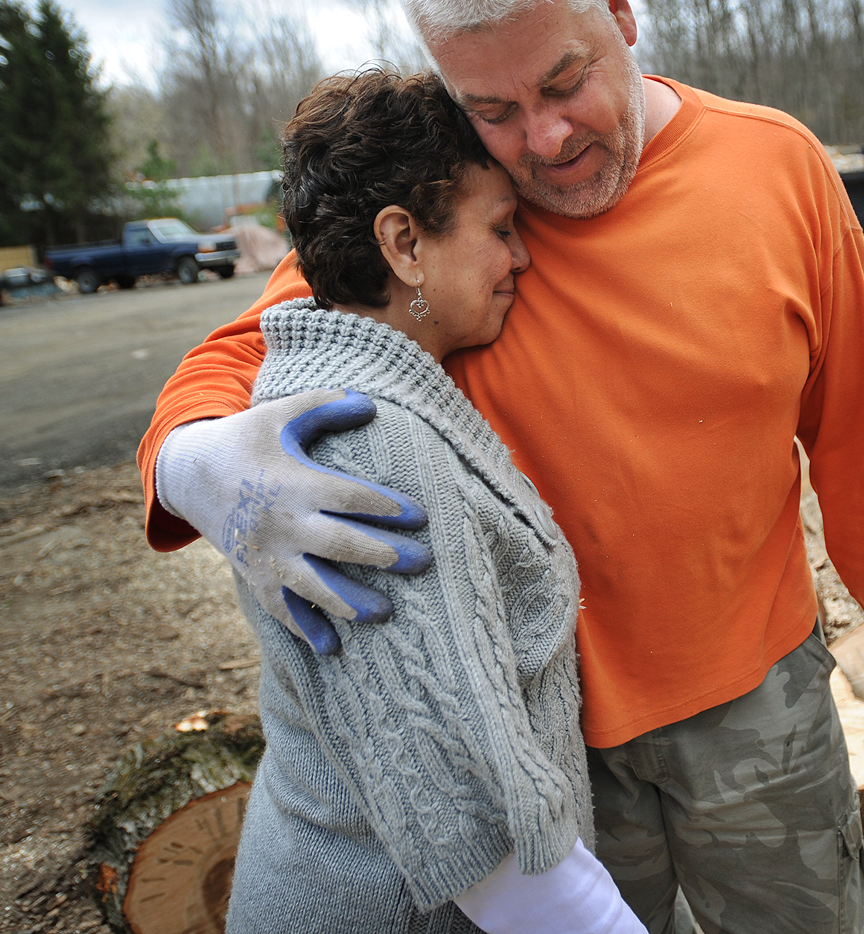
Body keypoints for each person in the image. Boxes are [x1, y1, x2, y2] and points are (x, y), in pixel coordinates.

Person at [141, 0, 864, 930]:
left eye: (565, 80)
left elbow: (863, 451)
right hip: (546, 741)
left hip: (758, 709)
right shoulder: (436, 219)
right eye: (491, 107)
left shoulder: (778, 173)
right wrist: (198, 463)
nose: (544, 140)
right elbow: (234, 359)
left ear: (617, 5)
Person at [222, 67, 646, 934]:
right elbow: (472, 830)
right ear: (404, 244)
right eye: (499, 229)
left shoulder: (358, 391)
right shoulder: (361, 440)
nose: (521, 257)